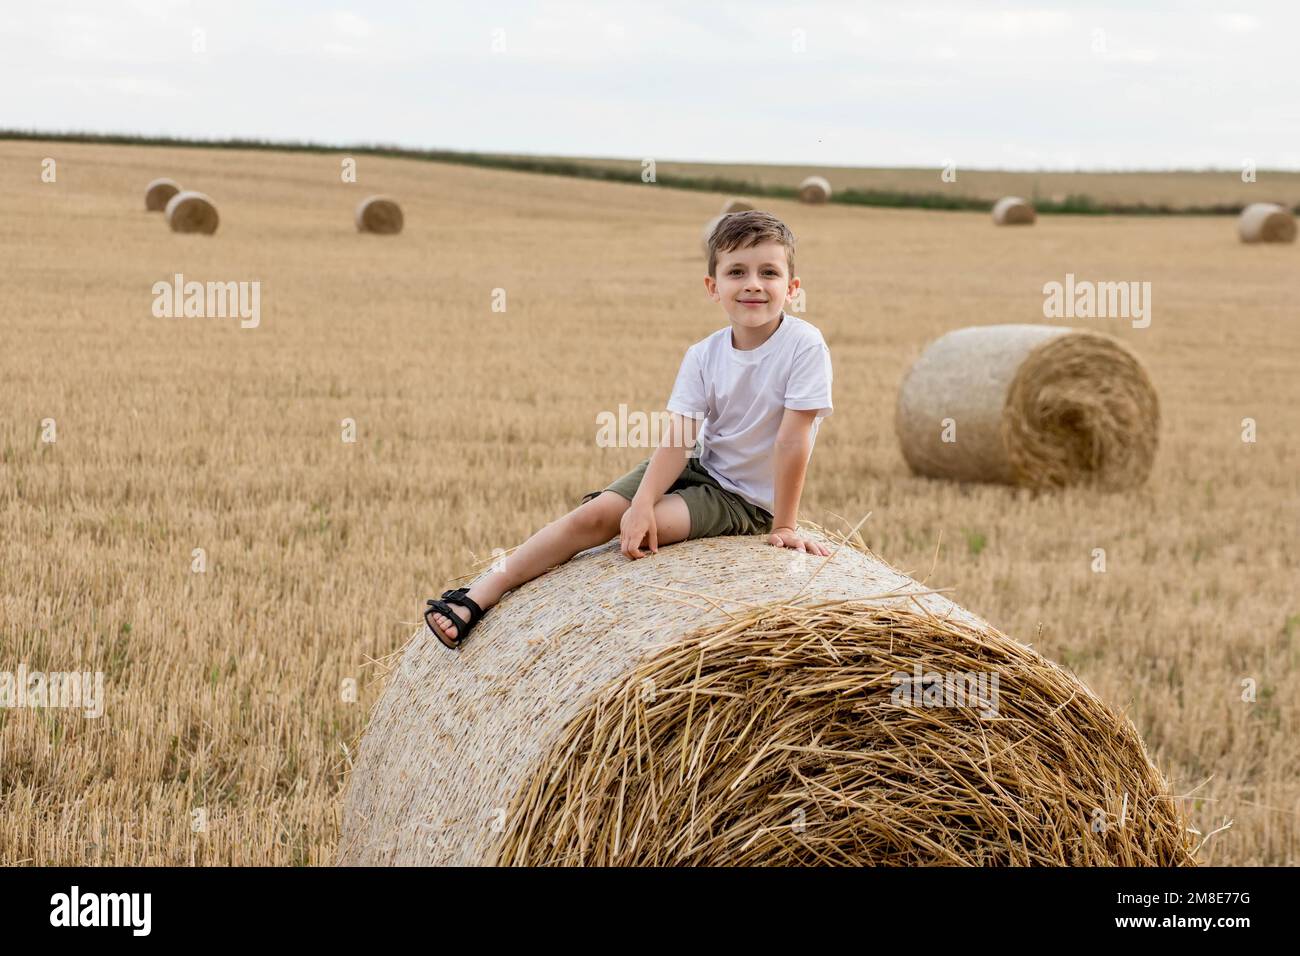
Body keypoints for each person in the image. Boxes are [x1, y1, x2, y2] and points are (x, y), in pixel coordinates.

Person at [425, 209, 834, 649]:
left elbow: (793, 440)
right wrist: (641, 499)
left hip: (744, 502)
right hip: (699, 466)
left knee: (641, 525)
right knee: (597, 516)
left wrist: (785, 525)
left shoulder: (804, 346)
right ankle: (479, 595)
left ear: (791, 289)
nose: (753, 283)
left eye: (768, 272)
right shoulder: (703, 355)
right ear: (713, 288)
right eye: (737, 271)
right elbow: (678, 439)